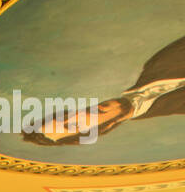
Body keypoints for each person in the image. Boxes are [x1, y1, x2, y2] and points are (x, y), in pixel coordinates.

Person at [24, 34, 185, 146]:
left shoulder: (156, 64)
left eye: (66, 115)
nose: (81, 113)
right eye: (73, 125)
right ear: (104, 129)